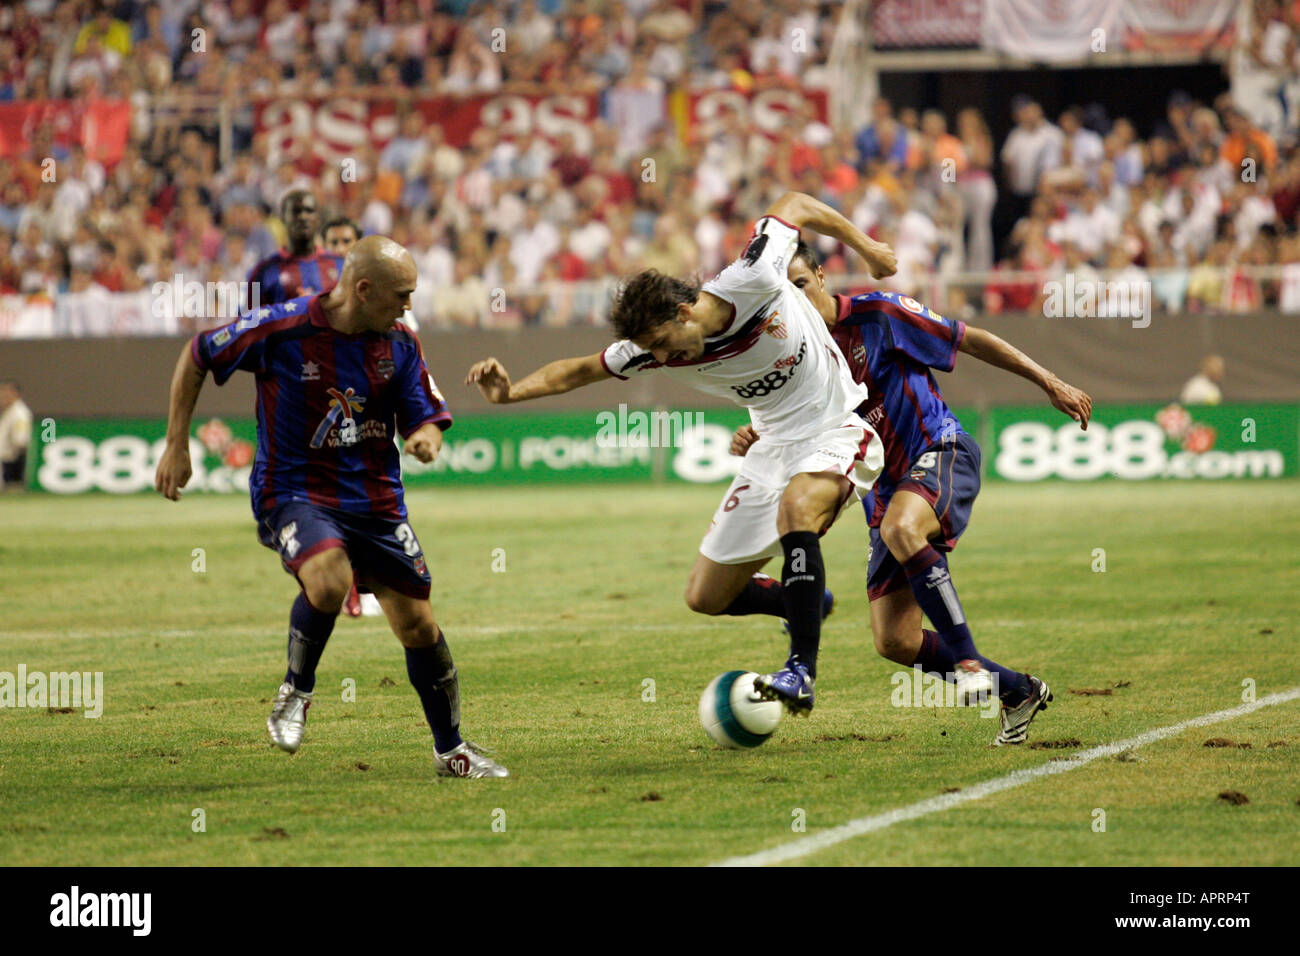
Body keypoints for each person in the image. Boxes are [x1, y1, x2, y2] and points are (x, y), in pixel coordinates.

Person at [467, 191, 898, 715]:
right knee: (707, 597)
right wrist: (509, 393)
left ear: (683, 309)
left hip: (833, 428)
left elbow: (796, 203)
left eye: (663, 342)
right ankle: (800, 598)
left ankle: (800, 670)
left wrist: (868, 248)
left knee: (797, 511)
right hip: (771, 449)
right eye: (652, 351)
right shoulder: (655, 350)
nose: (662, 358)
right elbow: (577, 370)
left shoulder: (755, 276)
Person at [155, 235, 507, 778]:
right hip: (294, 490)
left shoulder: (401, 343)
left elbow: (425, 417)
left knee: (418, 625)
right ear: (364, 290)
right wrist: (177, 443)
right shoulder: (281, 327)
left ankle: (452, 751)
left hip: (377, 503)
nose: (408, 306)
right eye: (402, 295)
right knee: (327, 579)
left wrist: (426, 442)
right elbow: (198, 353)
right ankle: (296, 690)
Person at [731, 242, 1093, 744]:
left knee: (904, 525)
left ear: (820, 274)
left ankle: (967, 657)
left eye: (801, 284)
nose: (795, 299)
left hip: (940, 451)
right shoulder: (796, 358)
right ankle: (1018, 691)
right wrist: (757, 436)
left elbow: (970, 338)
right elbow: (796, 430)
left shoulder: (880, 314)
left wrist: (1049, 381)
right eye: (783, 295)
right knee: (894, 640)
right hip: (881, 493)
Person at [0, 380, 32, 492]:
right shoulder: (10, 411)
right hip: (6, 460)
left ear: (14, 393)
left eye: (5, 393)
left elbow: (21, 440)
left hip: (11, 461)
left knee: (13, 491)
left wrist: (17, 465)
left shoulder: (19, 413)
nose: (2, 397)